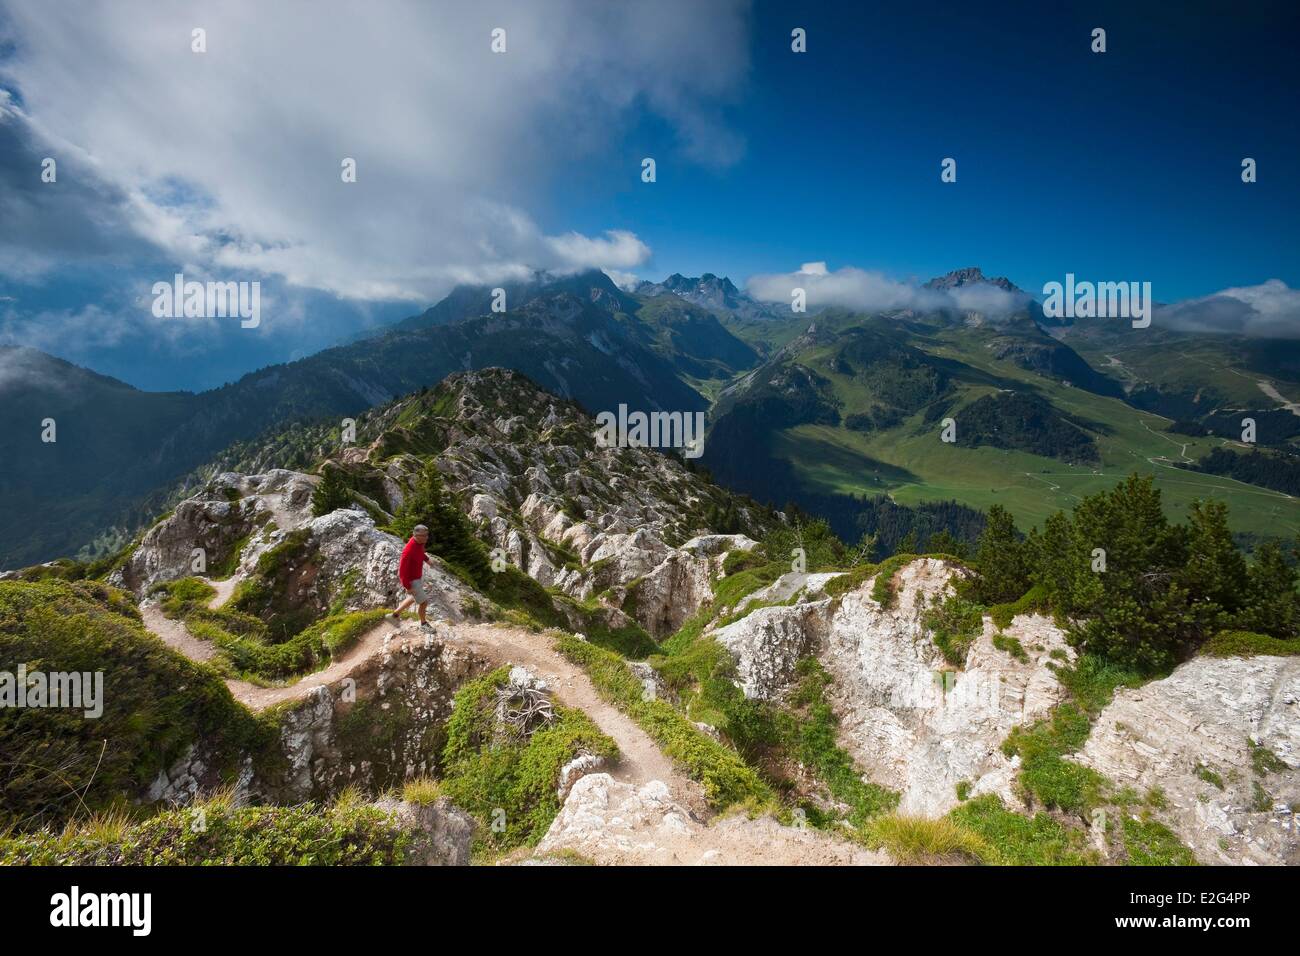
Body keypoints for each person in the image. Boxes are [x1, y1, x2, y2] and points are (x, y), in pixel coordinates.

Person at [390, 524, 436, 631]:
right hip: (412, 580)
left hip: (417, 577)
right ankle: (423, 625)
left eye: (426, 535)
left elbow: (421, 553)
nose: (426, 537)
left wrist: (427, 560)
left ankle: (394, 615)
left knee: (413, 598)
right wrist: (407, 586)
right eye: (423, 535)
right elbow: (402, 571)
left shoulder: (419, 543)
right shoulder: (408, 550)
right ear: (416, 535)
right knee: (424, 602)